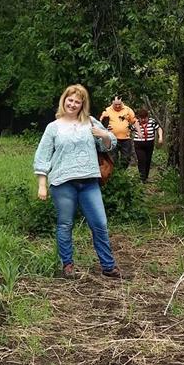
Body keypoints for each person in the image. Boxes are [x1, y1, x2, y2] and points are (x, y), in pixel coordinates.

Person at [34, 84, 121, 279]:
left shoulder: (90, 122)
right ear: (64, 100)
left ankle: (108, 266)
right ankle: (68, 265)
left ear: (83, 104)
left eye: (77, 101)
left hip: (89, 182)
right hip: (63, 183)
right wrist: (42, 184)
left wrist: (104, 135)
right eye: (70, 100)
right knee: (65, 224)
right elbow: (42, 157)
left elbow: (109, 144)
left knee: (100, 223)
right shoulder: (53, 127)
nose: (72, 104)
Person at [100, 93, 136, 169]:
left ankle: (122, 173)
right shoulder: (107, 110)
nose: (117, 106)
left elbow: (134, 121)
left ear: (122, 102)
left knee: (126, 158)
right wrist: (106, 128)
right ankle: (115, 173)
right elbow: (101, 123)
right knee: (113, 157)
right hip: (112, 138)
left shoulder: (128, 110)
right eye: (115, 104)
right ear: (112, 102)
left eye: (119, 104)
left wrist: (137, 131)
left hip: (126, 138)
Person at [133, 107, 163, 182]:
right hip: (139, 144)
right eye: (141, 118)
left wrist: (160, 137)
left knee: (148, 160)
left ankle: (146, 176)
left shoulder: (152, 122)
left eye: (145, 118)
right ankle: (142, 177)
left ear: (147, 117)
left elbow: (159, 128)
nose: (143, 120)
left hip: (149, 143)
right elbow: (128, 129)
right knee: (141, 160)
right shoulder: (136, 122)